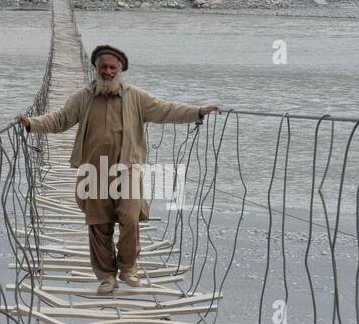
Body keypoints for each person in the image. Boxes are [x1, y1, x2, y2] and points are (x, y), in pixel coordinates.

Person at [18, 43, 218, 294]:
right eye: (103, 67)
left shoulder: (136, 96)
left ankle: (128, 268)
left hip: (128, 168)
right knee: (98, 223)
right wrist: (32, 124)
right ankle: (106, 276)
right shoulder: (83, 97)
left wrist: (198, 112)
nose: (108, 72)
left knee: (130, 216)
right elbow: (60, 119)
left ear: (121, 69)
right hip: (93, 169)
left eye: (113, 67)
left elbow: (166, 110)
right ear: (96, 69)